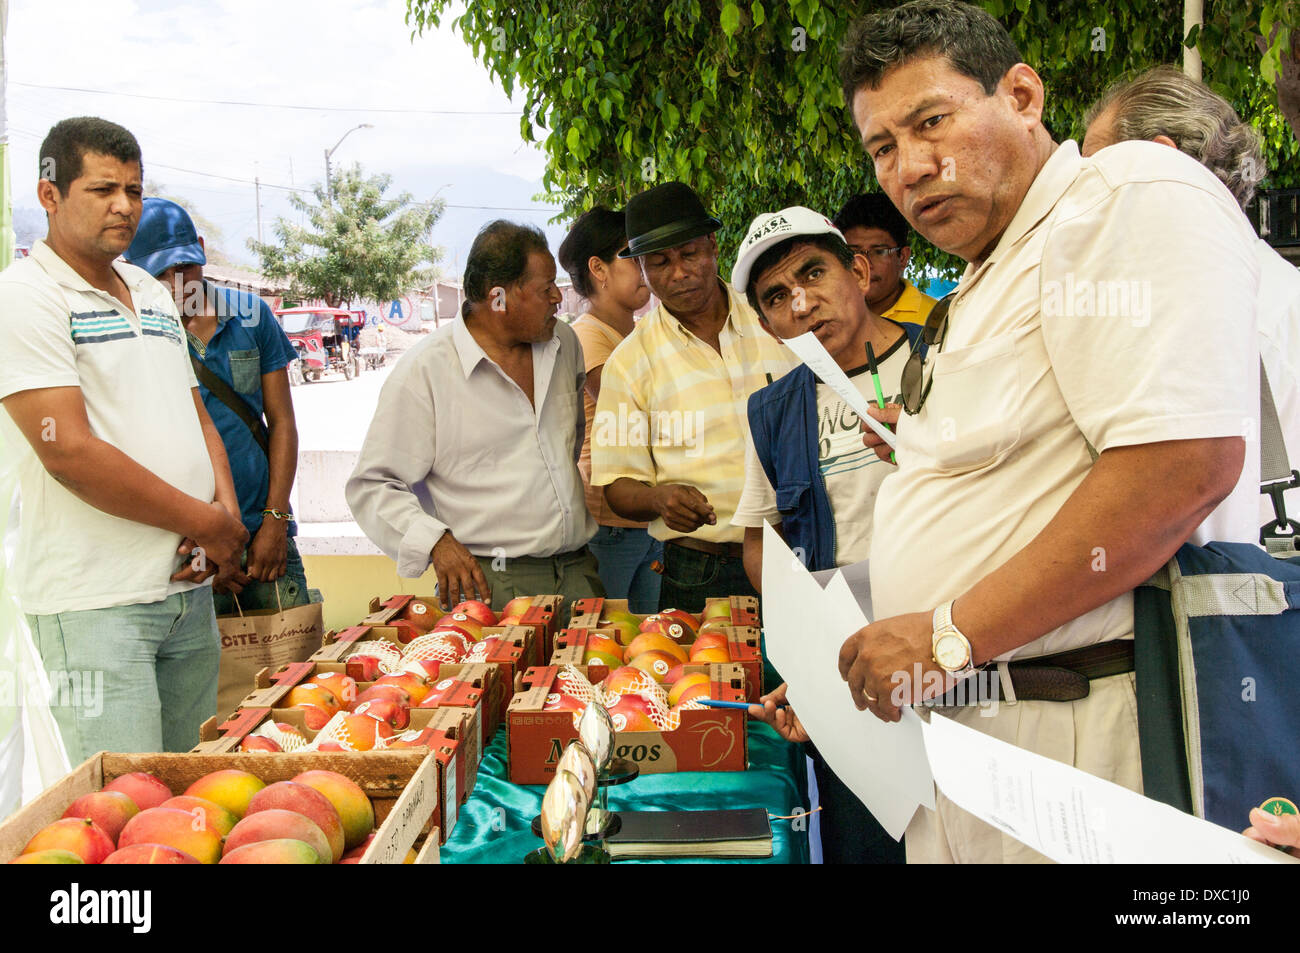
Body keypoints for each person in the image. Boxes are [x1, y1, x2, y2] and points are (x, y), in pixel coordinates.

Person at [839, 1, 1260, 864]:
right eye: (883, 148)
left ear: (1023, 95)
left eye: (932, 122)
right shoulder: (987, 272)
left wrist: (948, 632)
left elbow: (1182, 465)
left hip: (1071, 748)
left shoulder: (1122, 192)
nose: (911, 168)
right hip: (972, 736)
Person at [0, 117, 248, 762]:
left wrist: (223, 515)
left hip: (185, 590)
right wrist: (207, 522)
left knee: (184, 799)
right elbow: (68, 452)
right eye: (104, 188)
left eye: (134, 190)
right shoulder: (26, 298)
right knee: (121, 818)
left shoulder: (147, 289)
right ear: (49, 195)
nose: (124, 206)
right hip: (97, 607)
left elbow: (195, 414)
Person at [730, 205, 920, 864]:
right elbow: (763, 543)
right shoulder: (771, 412)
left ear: (860, 272)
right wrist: (809, 663)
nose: (802, 303)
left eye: (814, 273)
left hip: (965, 658)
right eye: (777, 297)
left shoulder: (948, 362)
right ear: (766, 324)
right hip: (858, 684)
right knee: (866, 843)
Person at [1081, 66, 1300, 535]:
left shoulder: (1197, 304)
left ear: (1160, 162)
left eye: (1094, 168)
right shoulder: (1274, 284)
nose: (1079, 194)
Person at [346, 220, 602, 619]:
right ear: (497, 297)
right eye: (545, 286)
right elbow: (372, 484)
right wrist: (435, 541)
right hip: (490, 584)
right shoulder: (426, 371)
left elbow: (567, 447)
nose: (558, 297)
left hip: (579, 574)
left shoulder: (563, 344)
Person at [591, 182, 796, 612]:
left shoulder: (777, 319)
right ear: (643, 270)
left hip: (800, 551)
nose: (679, 272)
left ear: (713, 245)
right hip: (701, 570)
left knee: (811, 679)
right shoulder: (630, 362)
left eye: (689, 254)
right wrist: (657, 499)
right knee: (707, 681)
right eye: (660, 262)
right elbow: (616, 485)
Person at [124, 198, 309, 614]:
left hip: (265, 538)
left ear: (203, 249)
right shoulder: (135, 334)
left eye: (186, 266)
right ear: (133, 271)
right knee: (214, 679)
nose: (178, 282)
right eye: (162, 273)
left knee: (295, 670)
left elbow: (281, 423)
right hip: (186, 551)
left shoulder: (252, 316)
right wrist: (204, 540)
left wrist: (275, 522)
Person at [558, 207, 663, 613]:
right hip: (609, 522)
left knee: (646, 637)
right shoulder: (587, 336)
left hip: (646, 517)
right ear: (598, 269)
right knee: (607, 639)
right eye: (632, 256)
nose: (646, 268)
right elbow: (633, 413)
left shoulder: (637, 332)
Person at [833, 192, 937, 330]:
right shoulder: (821, 318)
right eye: (852, 252)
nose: (865, 265)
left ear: (902, 257)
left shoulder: (937, 320)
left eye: (879, 252)